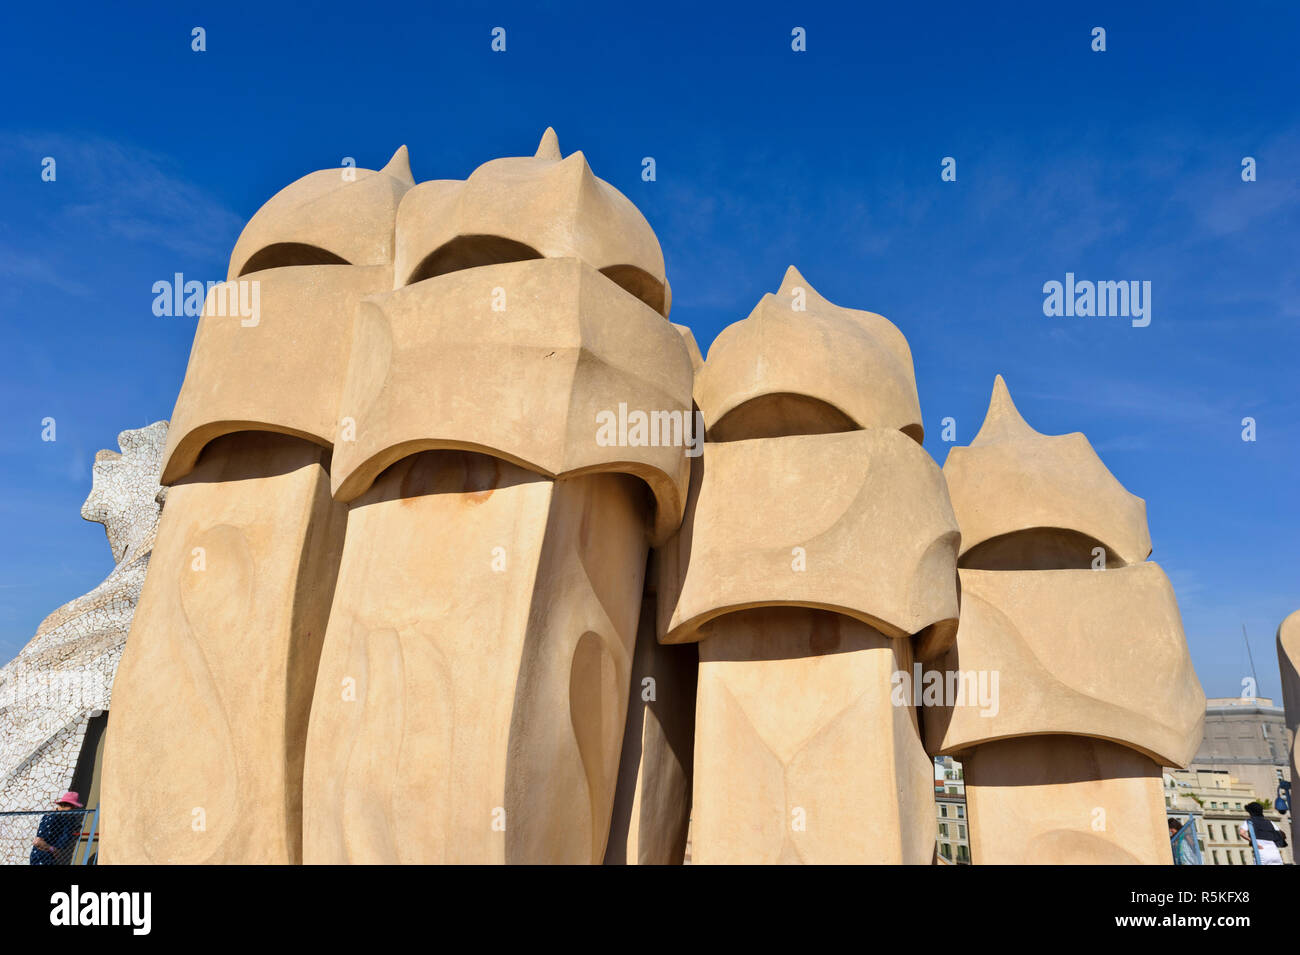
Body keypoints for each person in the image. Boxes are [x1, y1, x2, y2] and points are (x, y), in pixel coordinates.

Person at [30, 791, 83, 865]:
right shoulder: (51, 817)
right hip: (41, 859)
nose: (73, 811)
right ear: (65, 805)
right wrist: (53, 850)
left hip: (51, 860)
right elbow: (37, 842)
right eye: (72, 807)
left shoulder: (66, 819)